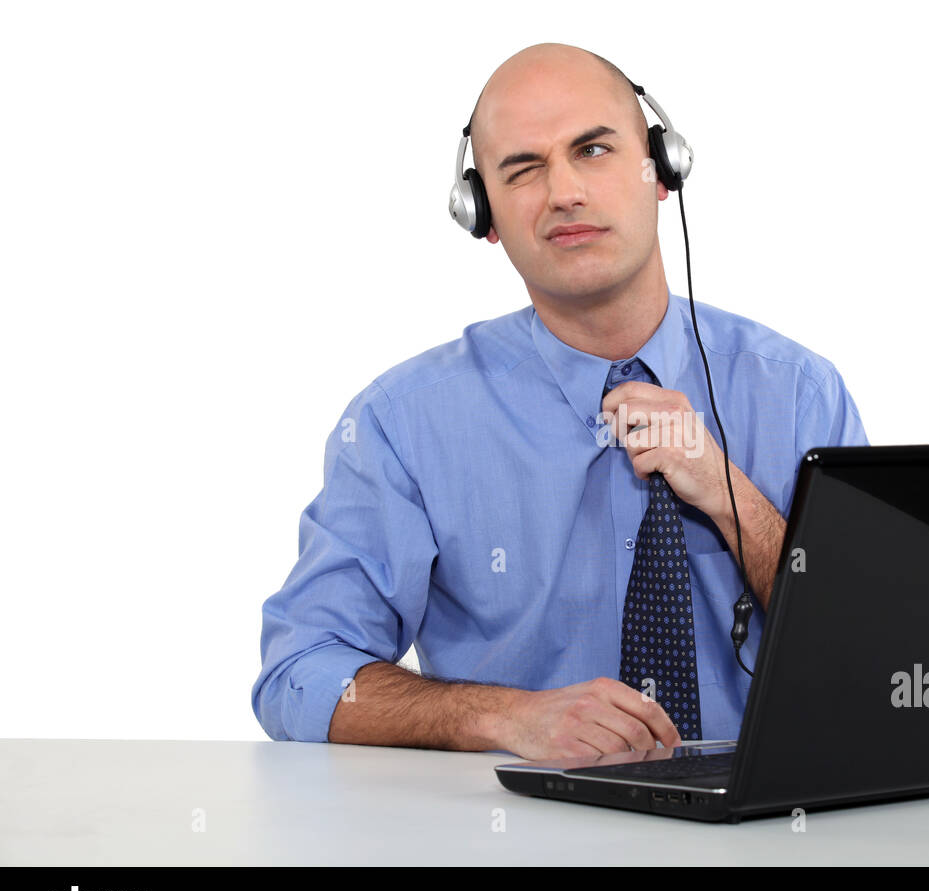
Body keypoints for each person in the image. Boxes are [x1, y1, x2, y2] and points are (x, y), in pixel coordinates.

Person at [251, 42, 869, 760]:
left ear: (662, 171)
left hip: (765, 838)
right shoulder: (404, 423)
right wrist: (503, 718)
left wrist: (734, 498)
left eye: (594, 150)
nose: (564, 191)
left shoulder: (798, 393)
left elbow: (872, 657)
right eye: (522, 169)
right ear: (483, 215)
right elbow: (299, 675)